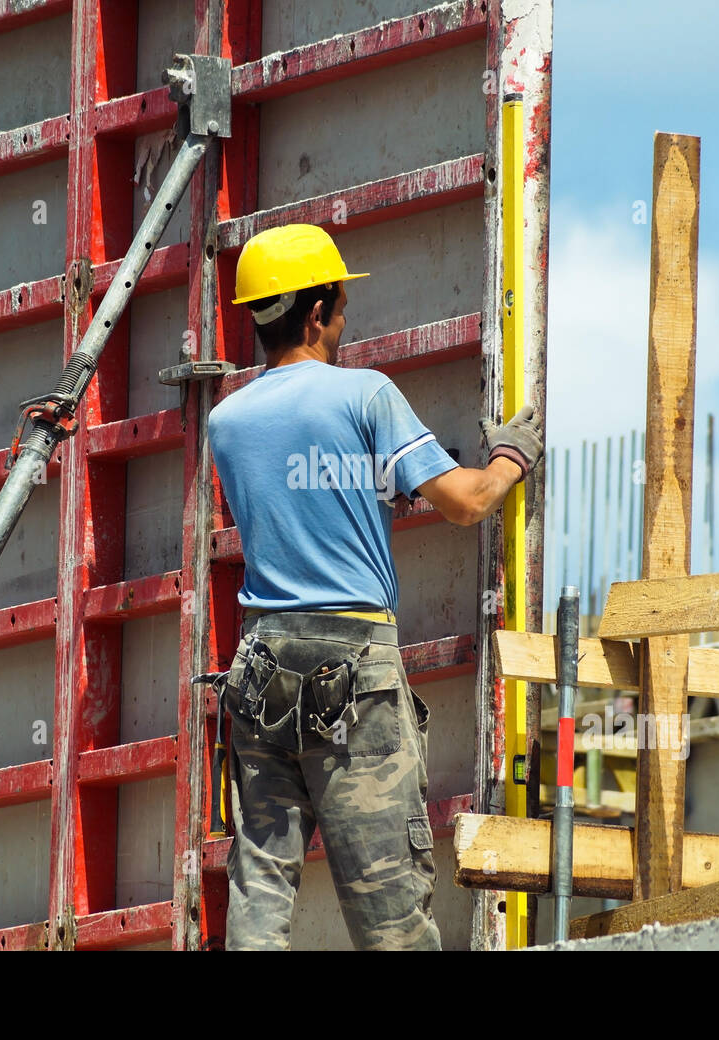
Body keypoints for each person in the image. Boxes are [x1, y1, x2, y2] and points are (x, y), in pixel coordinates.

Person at [207, 223, 543, 950]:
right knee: (388, 902)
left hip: (261, 662)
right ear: (318, 309)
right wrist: (514, 454)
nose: (345, 322)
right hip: (350, 662)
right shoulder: (365, 395)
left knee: (259, 885)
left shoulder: (224, 422)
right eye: (340, 308)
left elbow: (301, 486)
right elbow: (468, 501)